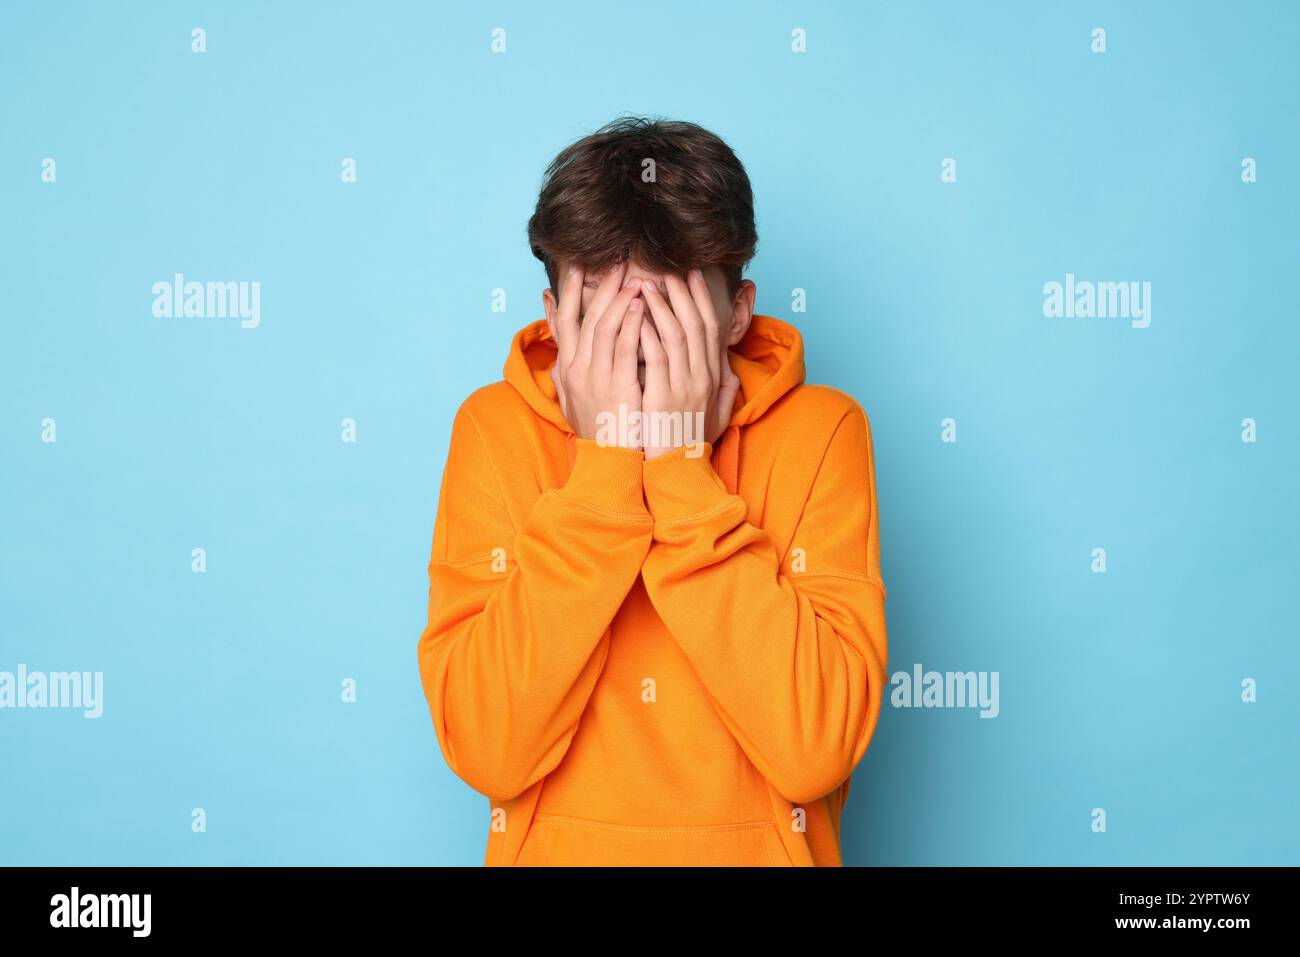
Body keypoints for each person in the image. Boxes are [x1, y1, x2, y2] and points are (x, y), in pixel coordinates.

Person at [417, 116, 888, 866]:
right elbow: (488, 749)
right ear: (554, 320)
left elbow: (813, 750)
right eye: (601, 312)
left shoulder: (822, 429)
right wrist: (605, 465)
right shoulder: (493, 429)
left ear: (736, 313)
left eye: (669, 311)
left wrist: (679, 466)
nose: (634, 341)